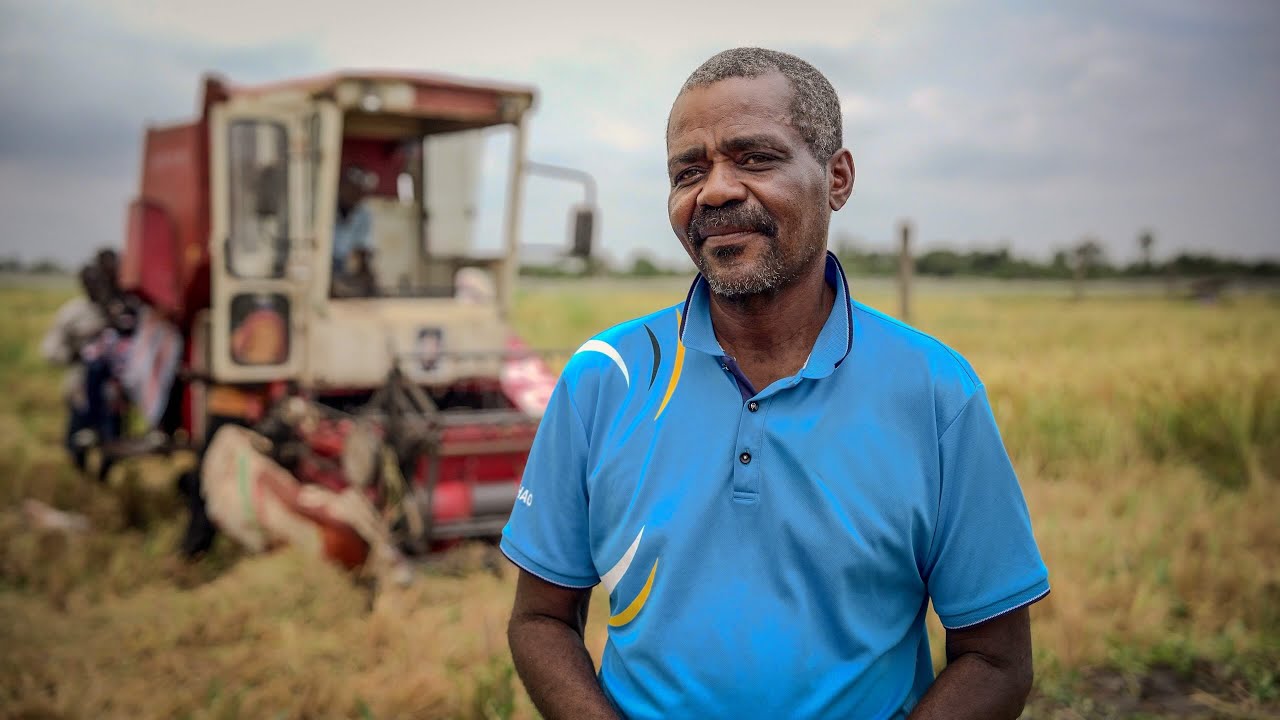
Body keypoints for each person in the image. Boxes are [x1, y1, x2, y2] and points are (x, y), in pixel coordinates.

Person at [501, 48, 1049, 719]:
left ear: (837, 177)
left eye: (754, 157)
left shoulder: (936, 393)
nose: (716, 190)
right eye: (687, 171)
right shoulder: (603, 379)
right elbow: (540, 621)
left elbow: (994, 659)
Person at [40, 264, 109, 471]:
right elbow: (50, 350)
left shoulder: (113, 310)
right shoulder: (72, 313)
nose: (96, 288)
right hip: (80, 382)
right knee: (78, 436)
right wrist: (74, 355)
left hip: (110, 388)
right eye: (91, 283)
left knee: (110, 438)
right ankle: (81, 475)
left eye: (99, 282)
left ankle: (104, 476)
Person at [332, 164, 376, 280]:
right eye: (353, 188)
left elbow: (362, 247)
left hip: (343, 266)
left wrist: (366, 272)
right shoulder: (325, 209)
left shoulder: (364, 214)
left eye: (360, 191)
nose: (357, 194)